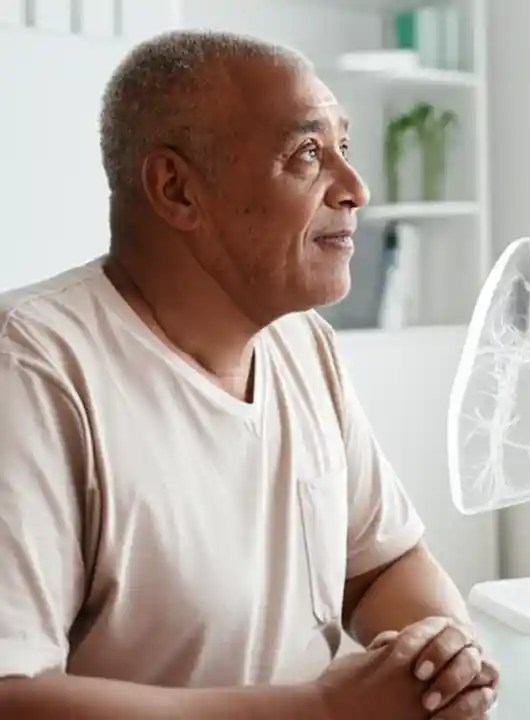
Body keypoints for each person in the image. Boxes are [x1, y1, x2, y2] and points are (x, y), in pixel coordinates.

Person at [0, 31, 496, 720]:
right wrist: (323, 711)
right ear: (177, 189)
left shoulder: (304, 346)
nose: (355, 188)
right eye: (307, 155)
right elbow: (12, 698)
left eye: (344, 150)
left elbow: (382, 562)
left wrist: (444, 652)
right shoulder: (30, 369)